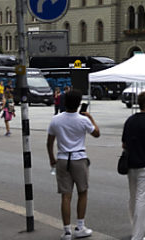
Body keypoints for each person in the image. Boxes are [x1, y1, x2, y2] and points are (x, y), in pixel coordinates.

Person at [47, 89, 100, 240]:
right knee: (82, 192)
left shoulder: (56, 119)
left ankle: (66, 231)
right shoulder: (83, 120)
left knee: (66, 195)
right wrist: (90, 118)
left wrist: (52, 158)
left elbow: (49, 142)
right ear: (78, 104)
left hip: (62, 158)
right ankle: (80, 226)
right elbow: (97, 133)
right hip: (79, 158)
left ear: (64, 102)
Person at [122, 90, 145, 240]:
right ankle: (138, 235)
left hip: (131, 163)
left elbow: (124, 143)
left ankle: (135, 230)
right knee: (142, 199)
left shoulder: (130, 120)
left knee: (133, 197)